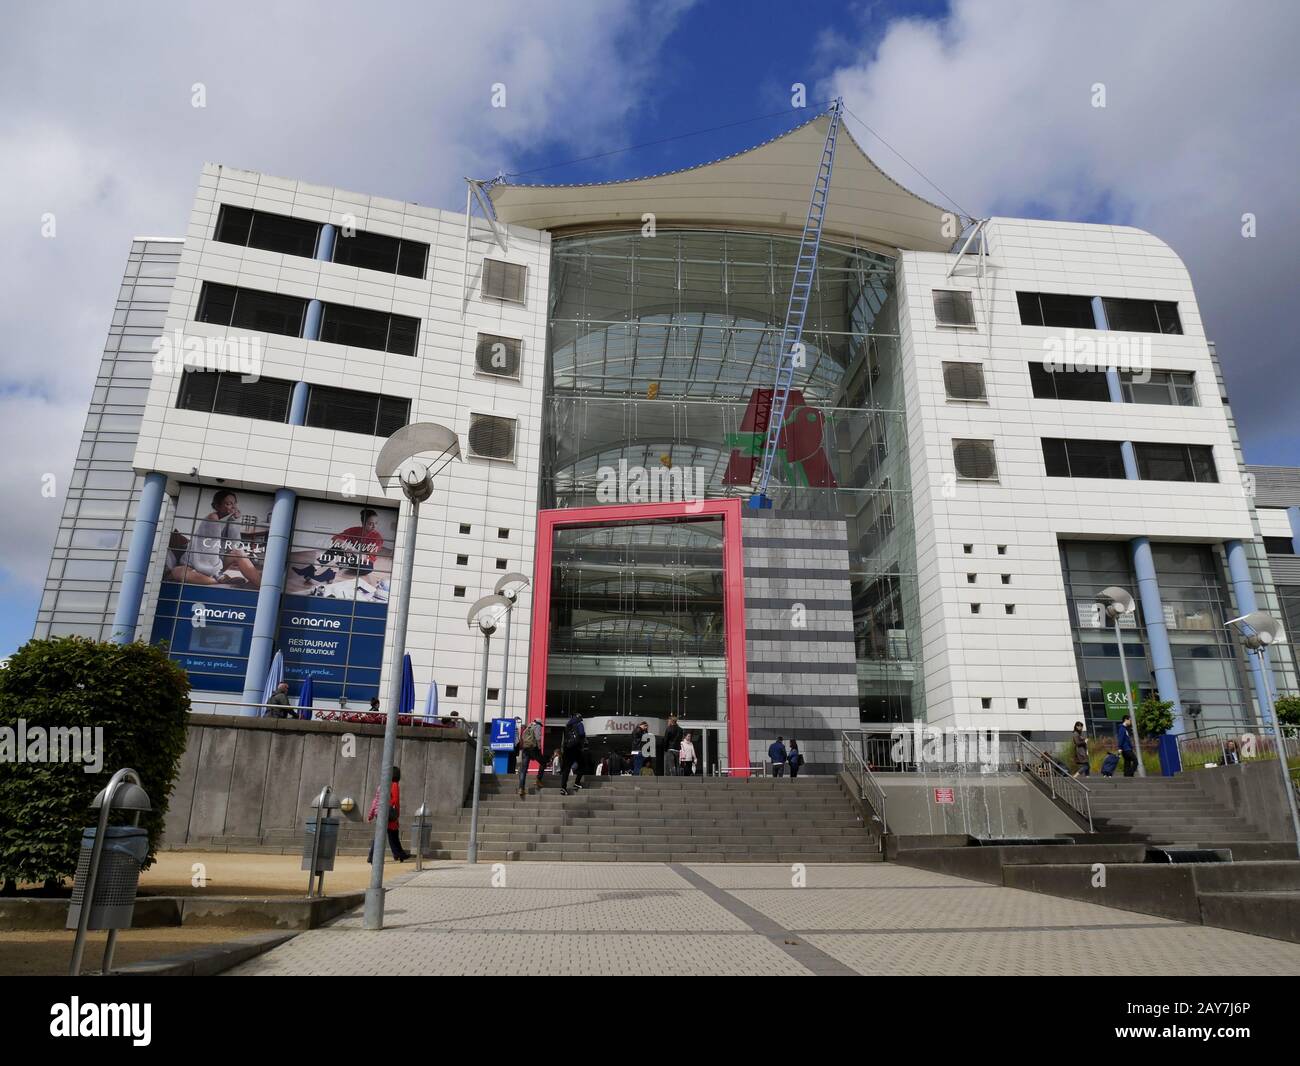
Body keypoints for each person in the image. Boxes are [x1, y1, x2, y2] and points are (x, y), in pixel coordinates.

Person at [169, 489, 262, 588]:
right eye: (228, 503)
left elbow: (234, 544)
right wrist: (217, 574)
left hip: (215, 563)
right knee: (177, 572)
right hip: (196, 563)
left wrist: (234, 521)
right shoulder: (212, 518)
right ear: (217, 506)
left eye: (234, 503)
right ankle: (219, 581)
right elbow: (208, 551)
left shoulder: (227, 519)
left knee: (239, 552)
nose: (234, 507)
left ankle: (261, 586)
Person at [367, 765, 410, 863]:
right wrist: (396, 814)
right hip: (388, 813)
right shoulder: (394, 784)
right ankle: (398, 854)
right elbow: (395, 801)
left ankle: (396, 854)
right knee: (393, 833)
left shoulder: (381, 785)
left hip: (380, 813)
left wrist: (371, 815)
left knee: (386, 835)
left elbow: (375, 801)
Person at [515, 717, 547, 799]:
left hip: (526, 749)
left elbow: (522, 736)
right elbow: (538, 738)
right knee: (543, 762)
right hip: (533, 749)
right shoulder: (538, 726)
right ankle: (538, 780)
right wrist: (539, 748)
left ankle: (521, 788)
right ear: (539, 723)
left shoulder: (529, 726)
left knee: (524, 770)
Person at [559, 713, 586, 795]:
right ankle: (577, 783)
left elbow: (564, 740)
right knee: (582, 765)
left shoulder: (567, 726)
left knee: (566, 769)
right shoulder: (579, 724)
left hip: (567, 749)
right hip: (576, 749)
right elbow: (581, 734)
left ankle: (563, 788)